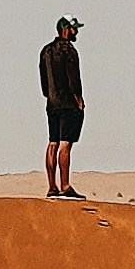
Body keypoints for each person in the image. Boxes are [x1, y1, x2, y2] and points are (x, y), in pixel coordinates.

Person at [39, 15, 84, 196]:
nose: (76, 32)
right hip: (67, 104)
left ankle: (52, 186)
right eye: (74, 28)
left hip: (52, 103)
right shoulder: (69, 50)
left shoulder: (46, 51)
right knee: (65, 144)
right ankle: (65, 185)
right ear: (65, 29)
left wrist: (50, 95)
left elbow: (43, 82)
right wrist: (78, 100)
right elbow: (74, 79)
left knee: (52, 143)